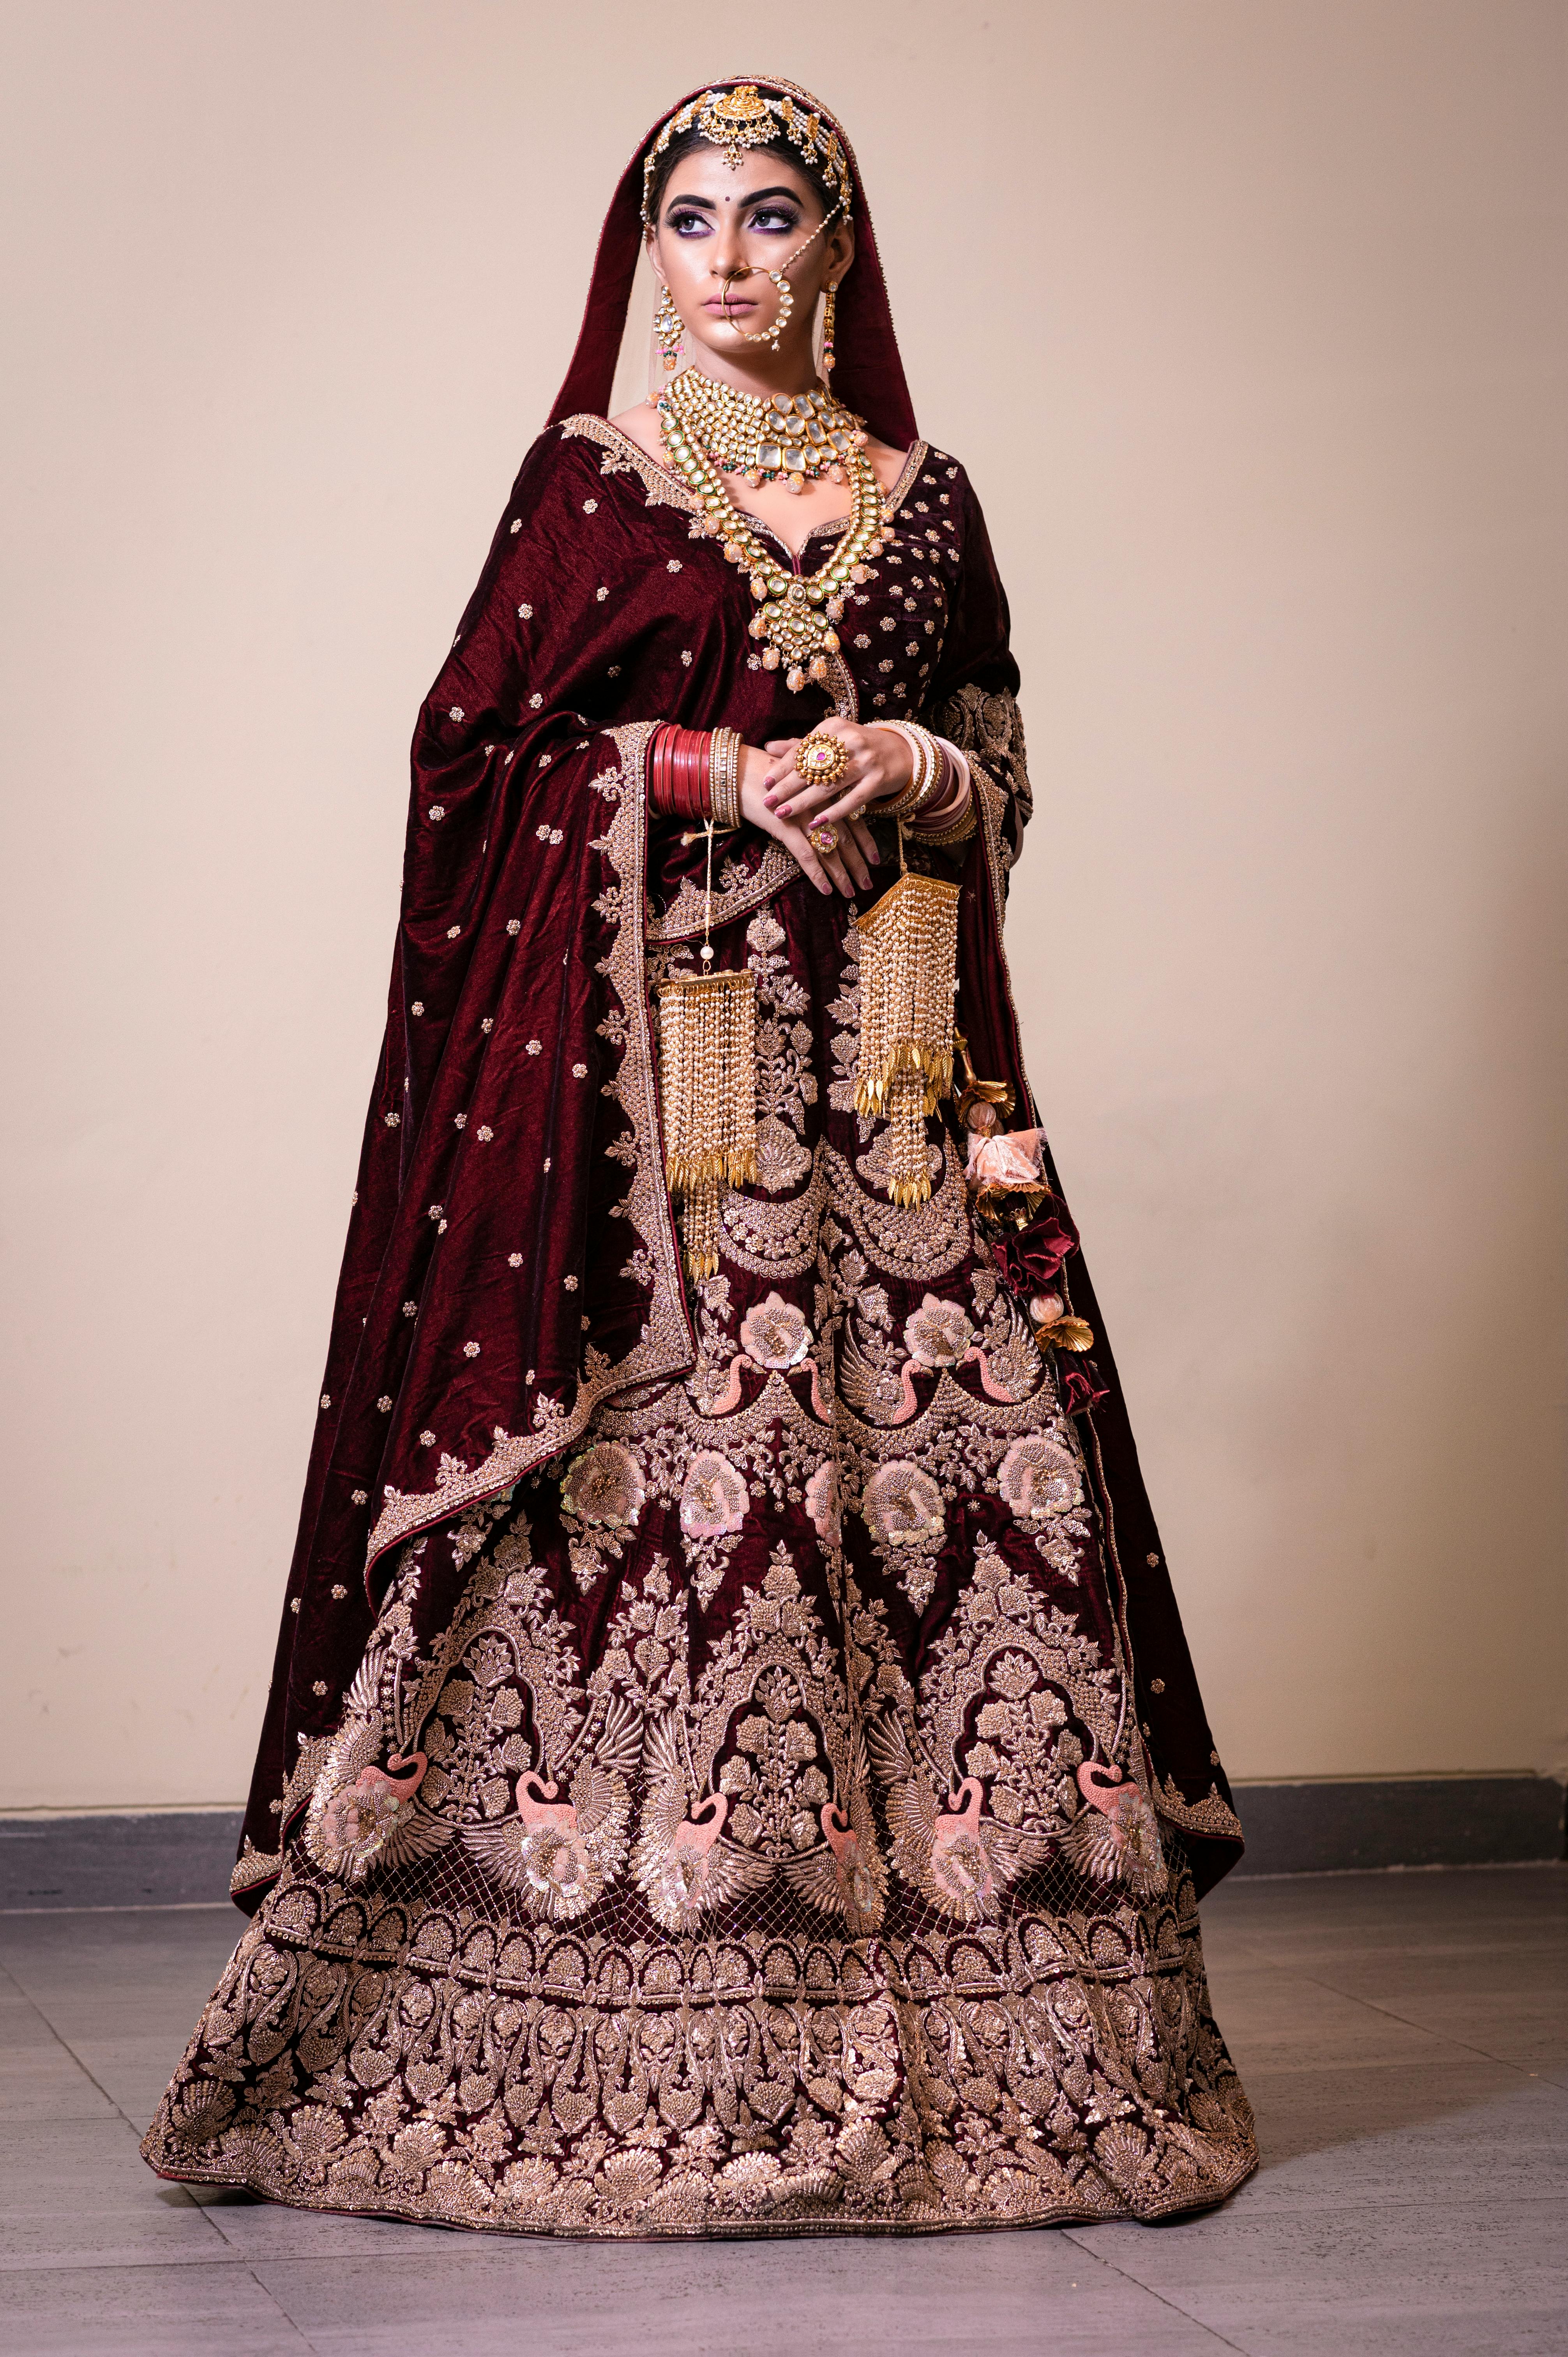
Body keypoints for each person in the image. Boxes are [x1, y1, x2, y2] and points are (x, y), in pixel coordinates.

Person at [143, 76, 1255, 2235]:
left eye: (774, 217)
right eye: (690, 219)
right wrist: (715, 781)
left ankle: (1029, 2034)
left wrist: (924, 760)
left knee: (980, 1489)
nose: (732, 256)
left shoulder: (929, 495)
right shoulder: (587, 490)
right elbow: (479, 752)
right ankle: (587, 2025)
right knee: (681, 1498)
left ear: (839, 252)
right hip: (659, 1113)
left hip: (902, 1087)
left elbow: (999, 749)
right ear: (642, 253)